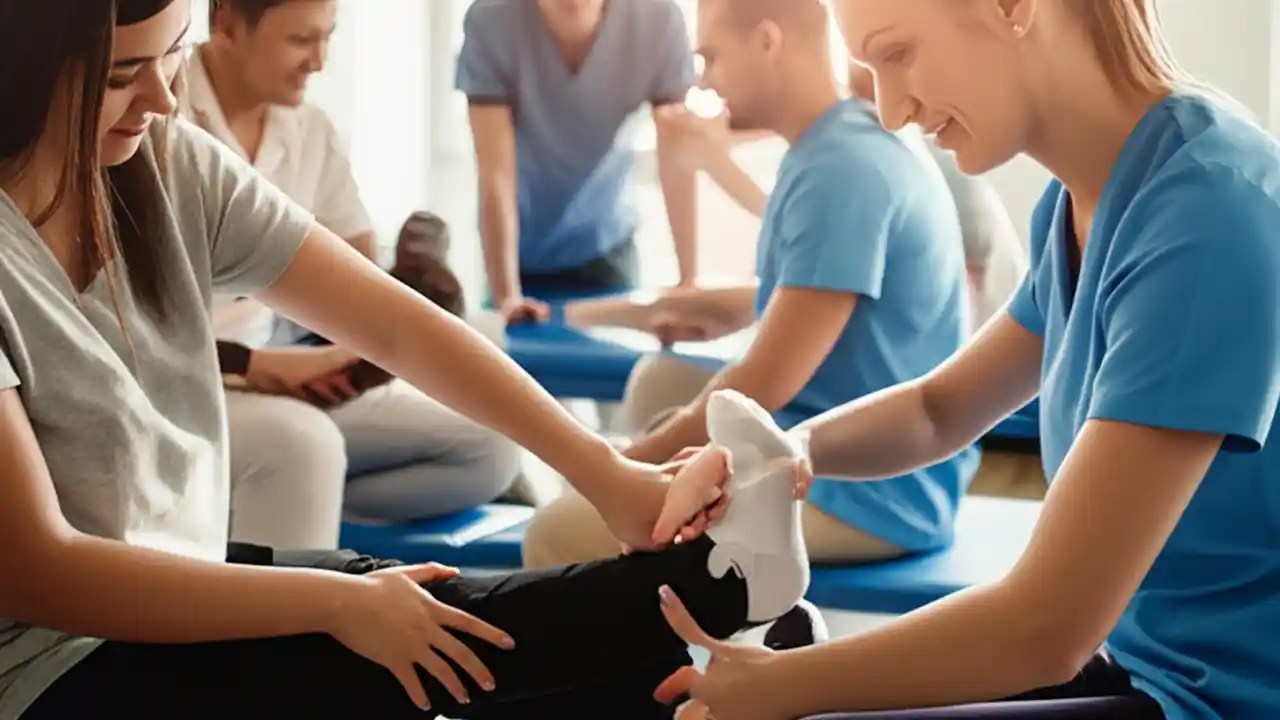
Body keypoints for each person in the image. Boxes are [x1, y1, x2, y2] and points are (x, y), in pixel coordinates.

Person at [0, 1, 803, 717]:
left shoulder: (171, 162)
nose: (164, 100)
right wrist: (331, 607)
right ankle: (725, 586)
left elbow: (398, 326)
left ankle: (730, 601)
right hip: (49, 661)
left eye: (172, 58)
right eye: (124, 76)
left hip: (178, 566)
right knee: (397, 641)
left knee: (443, 609)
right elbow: (42, 570)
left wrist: (607, 474)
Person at [650, 0, 1280, 718]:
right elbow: (937, 410)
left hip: (1223, 696)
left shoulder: (1211, 213)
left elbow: (1047, 628)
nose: (890, 112)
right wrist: (785, 450)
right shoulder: (1079, 205)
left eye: (897, 54)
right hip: (1141, 667)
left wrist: (782, 683)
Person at [523, 0, 978, 569]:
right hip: (834, 451)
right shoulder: (827, 148)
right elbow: (797, 304)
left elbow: (765, 383)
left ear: (767, 42)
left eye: (711, 58)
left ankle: (654, 618)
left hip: (870, 497)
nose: (704, 81)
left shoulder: (843, 169)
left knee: (559, 529)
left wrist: (609, 475)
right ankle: (654, 599)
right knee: (660, 381)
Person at [184, 0, 522, 548]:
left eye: (328, 38)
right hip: (199, 379)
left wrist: (355, 349)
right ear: (225, 26)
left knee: (492, 441)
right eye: (300, 41)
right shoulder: (155, 115)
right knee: (305, 444)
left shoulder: (310, 128)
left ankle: (284, 515)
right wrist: (261, 368)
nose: (319, 62)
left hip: (284, 368)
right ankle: (288, 558)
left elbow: (363, 275)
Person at [456, 0, 700, 323]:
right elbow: (496, 173)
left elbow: (678, 158)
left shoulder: (658, 20)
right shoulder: (491, 20)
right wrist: (507, 295)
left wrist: (688, 283)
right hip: (517, 253)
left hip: (606, 247)